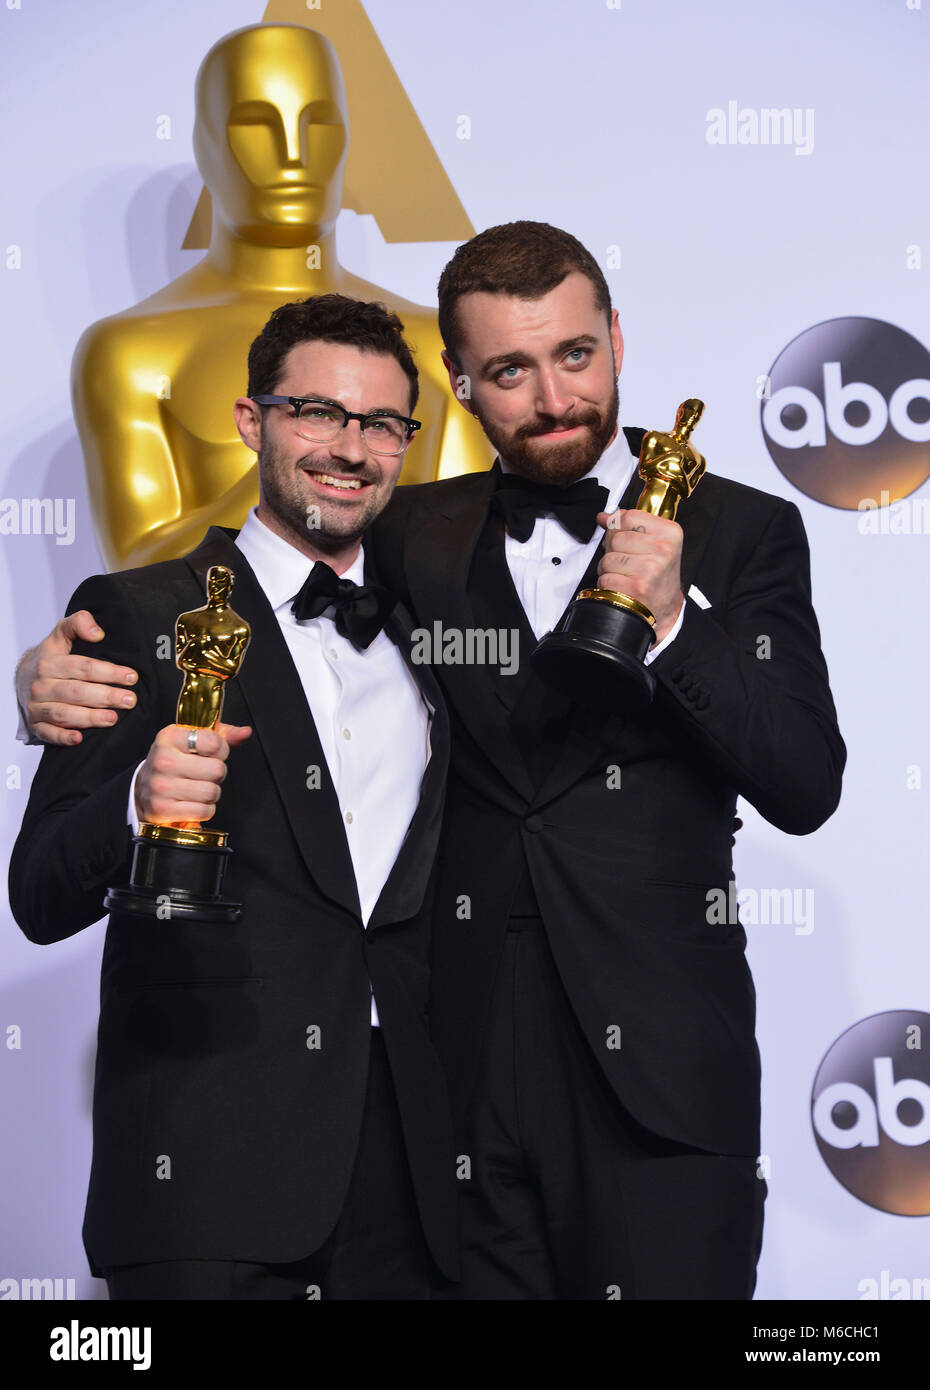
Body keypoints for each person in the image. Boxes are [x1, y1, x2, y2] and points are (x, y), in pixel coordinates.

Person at [16, 222, 846, 1300]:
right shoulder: (411, 532)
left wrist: (677, 621)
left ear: (618, 341)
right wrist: (49, 676)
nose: (551, 397)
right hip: (443, 1106)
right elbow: (248, 590)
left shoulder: (746, 530)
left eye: (575, 355)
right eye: (508, 369)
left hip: (665, 1092)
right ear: (460, 386)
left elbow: (804, 778)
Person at [9, 294, 457, 1300]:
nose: (351, 447)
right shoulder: (136, 613)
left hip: (419, 1182)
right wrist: (136, 803)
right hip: (207, 1168)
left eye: (381, 424)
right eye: (318, 413)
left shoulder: (437, 630)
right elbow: (38, 892)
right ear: (252, 421)